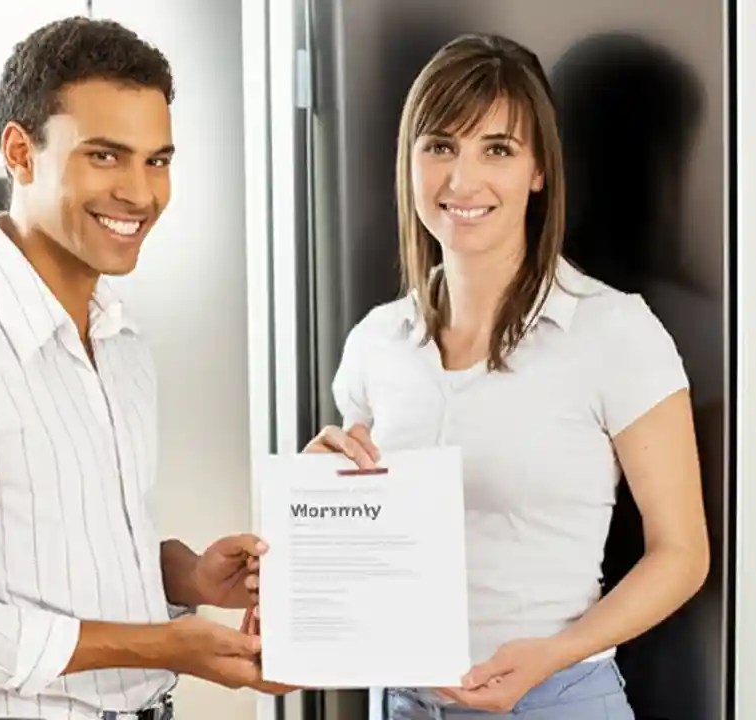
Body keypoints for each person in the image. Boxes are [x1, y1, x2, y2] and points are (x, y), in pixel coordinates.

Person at [0, 16, 288, 720]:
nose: (142, 194)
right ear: (21, 154)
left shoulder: (120, 339)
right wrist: (155, 646)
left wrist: (188, 574)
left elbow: (73, 548)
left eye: (159, 160)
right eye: (106, 157)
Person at [297, 34, 709, 718]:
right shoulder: (376, 343)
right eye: (439, 146)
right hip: (402, 704)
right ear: (410, 163)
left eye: (497, 149)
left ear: (539, 169)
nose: (463, 180)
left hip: (558, 699)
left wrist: (554, 654)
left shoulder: (614, 333)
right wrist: (321, 496)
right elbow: (369, 552)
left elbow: (682, 554)